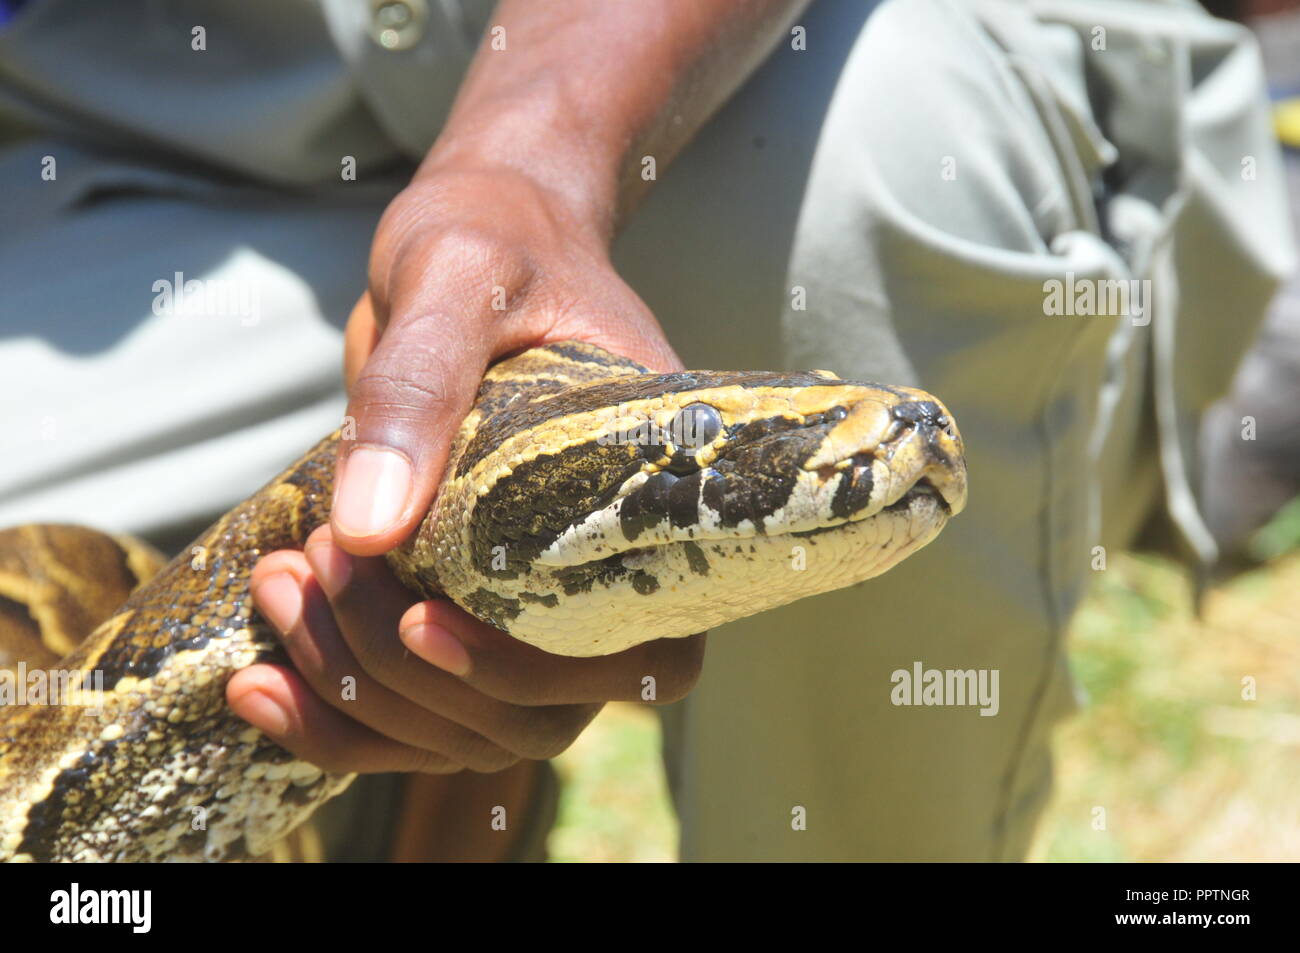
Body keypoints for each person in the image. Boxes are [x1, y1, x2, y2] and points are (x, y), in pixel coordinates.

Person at [0, 0, 1291, 861]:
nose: (891, 441)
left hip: (759, 59)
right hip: (142, 156)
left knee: (854, 184)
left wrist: (534, 155)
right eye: (693, 452)